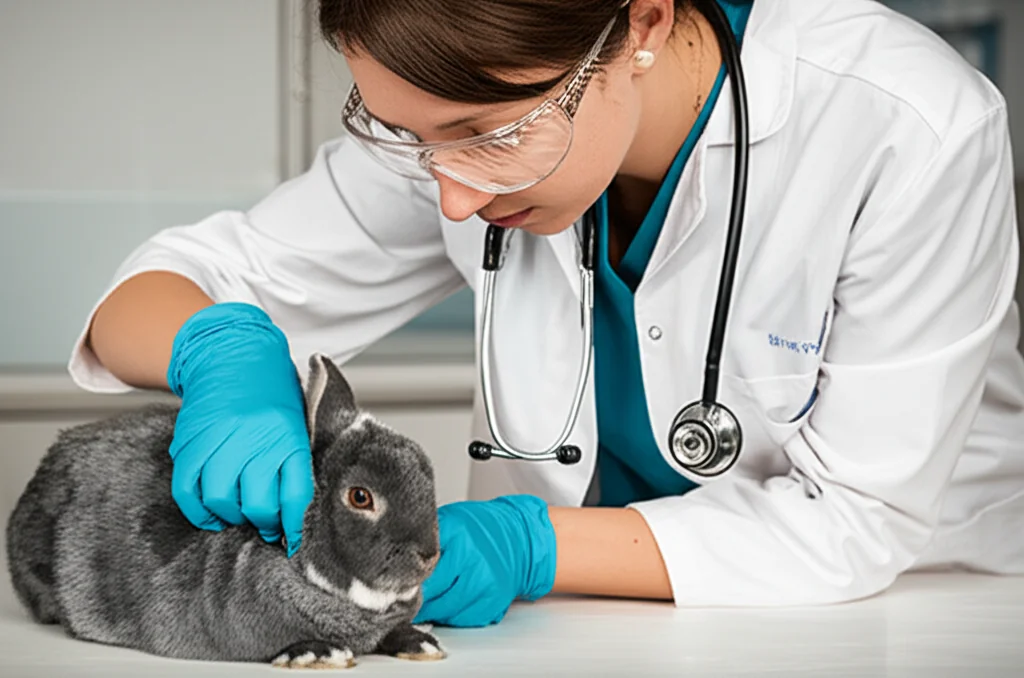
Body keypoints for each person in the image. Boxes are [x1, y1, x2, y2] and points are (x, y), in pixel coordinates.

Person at [72, 0, 1024, 628]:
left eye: (486, 137)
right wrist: (221, 346)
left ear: (644, 21)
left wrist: (532, 545)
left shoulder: (907, 123)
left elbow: (856, 520)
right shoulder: (458, 113)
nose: (452, 197)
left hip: (905, 620)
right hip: (573, 631)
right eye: (409, 138)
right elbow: (166, 284)